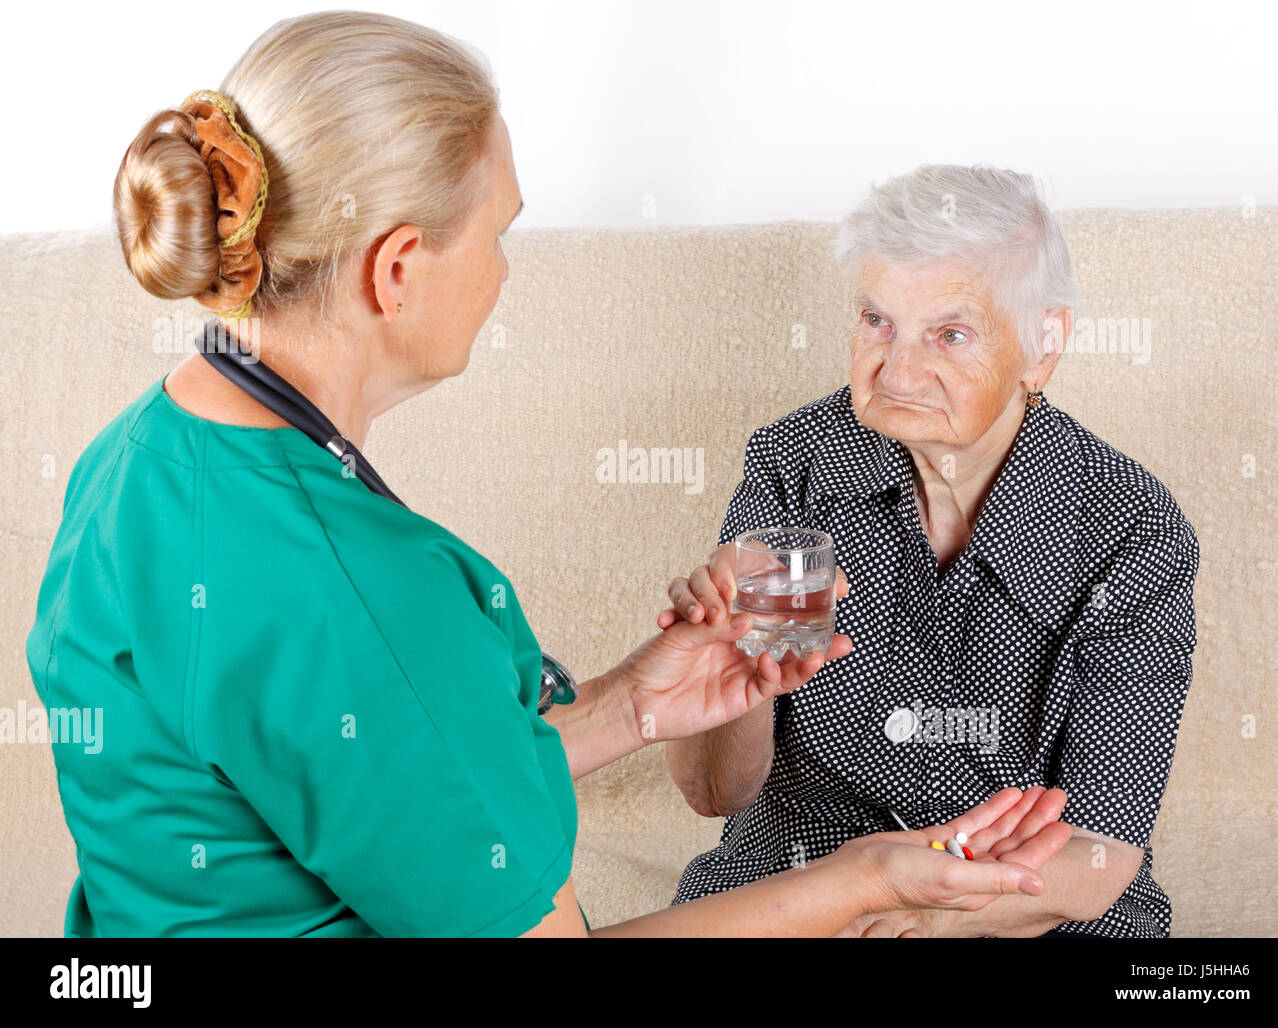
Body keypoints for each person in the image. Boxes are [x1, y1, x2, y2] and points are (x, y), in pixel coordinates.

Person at [26, 12, 1070, 938]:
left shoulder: (136, 456)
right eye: (498, 231)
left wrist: (628, 705)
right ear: (396, 269)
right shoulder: (362, 590)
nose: (504, 270)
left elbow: (370, 762)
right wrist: (858, 881)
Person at [662, 164, 1200, 938]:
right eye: (877, 321)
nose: (899, 370)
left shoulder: (1130, 527)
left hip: (1021, 891)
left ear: (1043, 346)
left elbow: (1099, 848)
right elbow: (718, 795)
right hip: (804, 865)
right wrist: (732, 672)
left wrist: (924, 920)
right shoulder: (796, 466)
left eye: (950, 334)